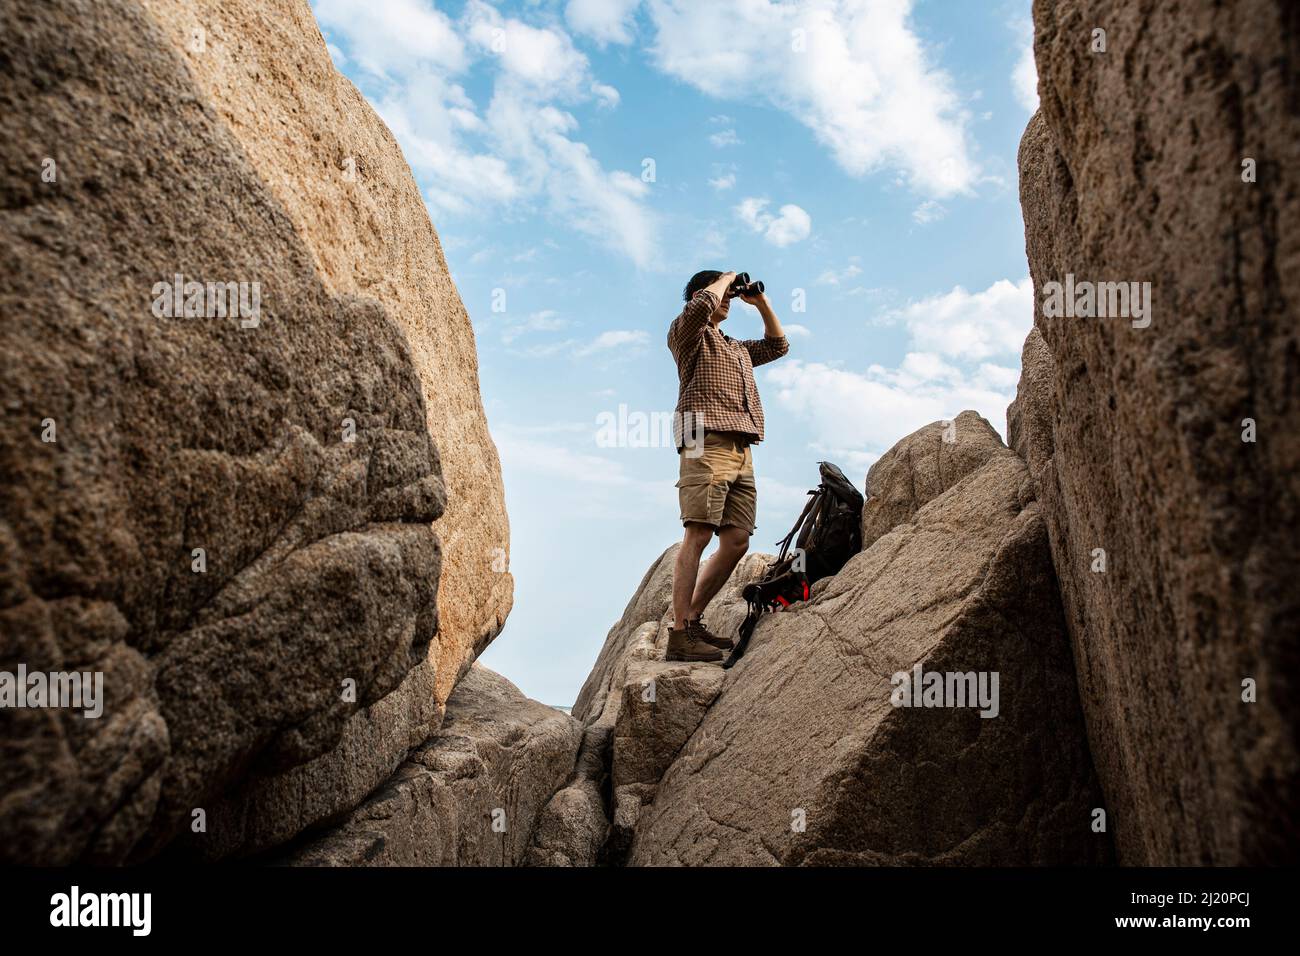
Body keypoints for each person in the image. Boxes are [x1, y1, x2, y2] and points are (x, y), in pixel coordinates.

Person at [664, 270, 790, 662]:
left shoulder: (735, 347)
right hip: (705, 441)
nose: (727, 299)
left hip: (742, 447)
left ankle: (694, 620)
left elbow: (778, 346)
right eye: (724, 293)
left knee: (737, 541)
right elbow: (700, 306)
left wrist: (760, 302)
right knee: (698, 533)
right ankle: (679, 633)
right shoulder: (687, 336)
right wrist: (724, 278)